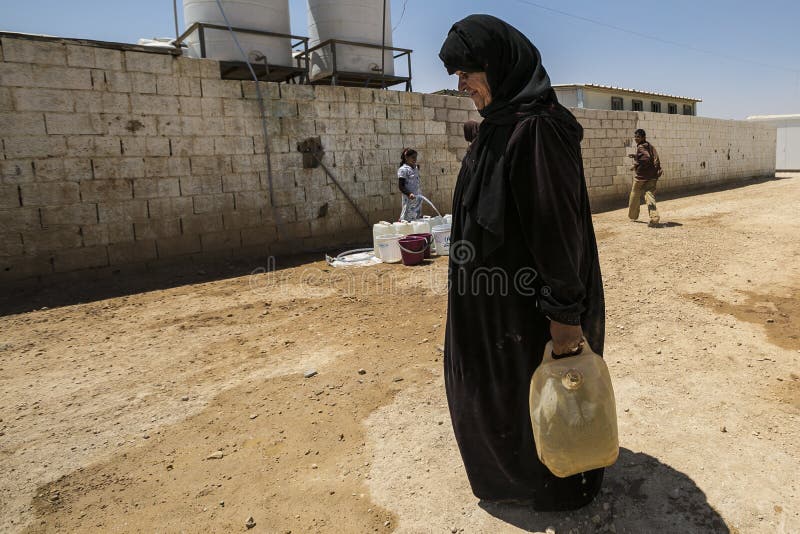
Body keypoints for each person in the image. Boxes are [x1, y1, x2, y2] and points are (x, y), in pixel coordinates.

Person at [439, 15, 606, 510]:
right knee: (497, 398)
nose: (461, 83)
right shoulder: (504, 124)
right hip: (493, 307)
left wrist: (564, 321)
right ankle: (511, 477)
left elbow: (556, 231)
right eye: (456, 74)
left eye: (468, 71)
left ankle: (548, 483)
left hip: (527, 310)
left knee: (542, 395)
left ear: (500, 66)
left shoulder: (538, 132)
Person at [627, 128, 662, 226]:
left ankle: (633, 215)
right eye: (635, 137)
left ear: (643, 137)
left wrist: (636, 164)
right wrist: (636, 156)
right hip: (653, 176)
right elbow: (649, 157)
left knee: (634, 194)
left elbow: (646, 158)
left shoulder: (641, 147)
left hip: (641, 177)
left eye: (638, 137)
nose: (636, 139)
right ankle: (654, 217)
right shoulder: (649, 146)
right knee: (649, 195)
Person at [398, 148, 423, 221]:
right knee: (407, 218)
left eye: (416, 157)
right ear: (406, 158)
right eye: (413, 157)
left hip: (417, 198)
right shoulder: (403, 170)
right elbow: (401, 186)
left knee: (417, 219)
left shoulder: (415, 168)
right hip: (409, 199)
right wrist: (409, 194)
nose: (415, 159)